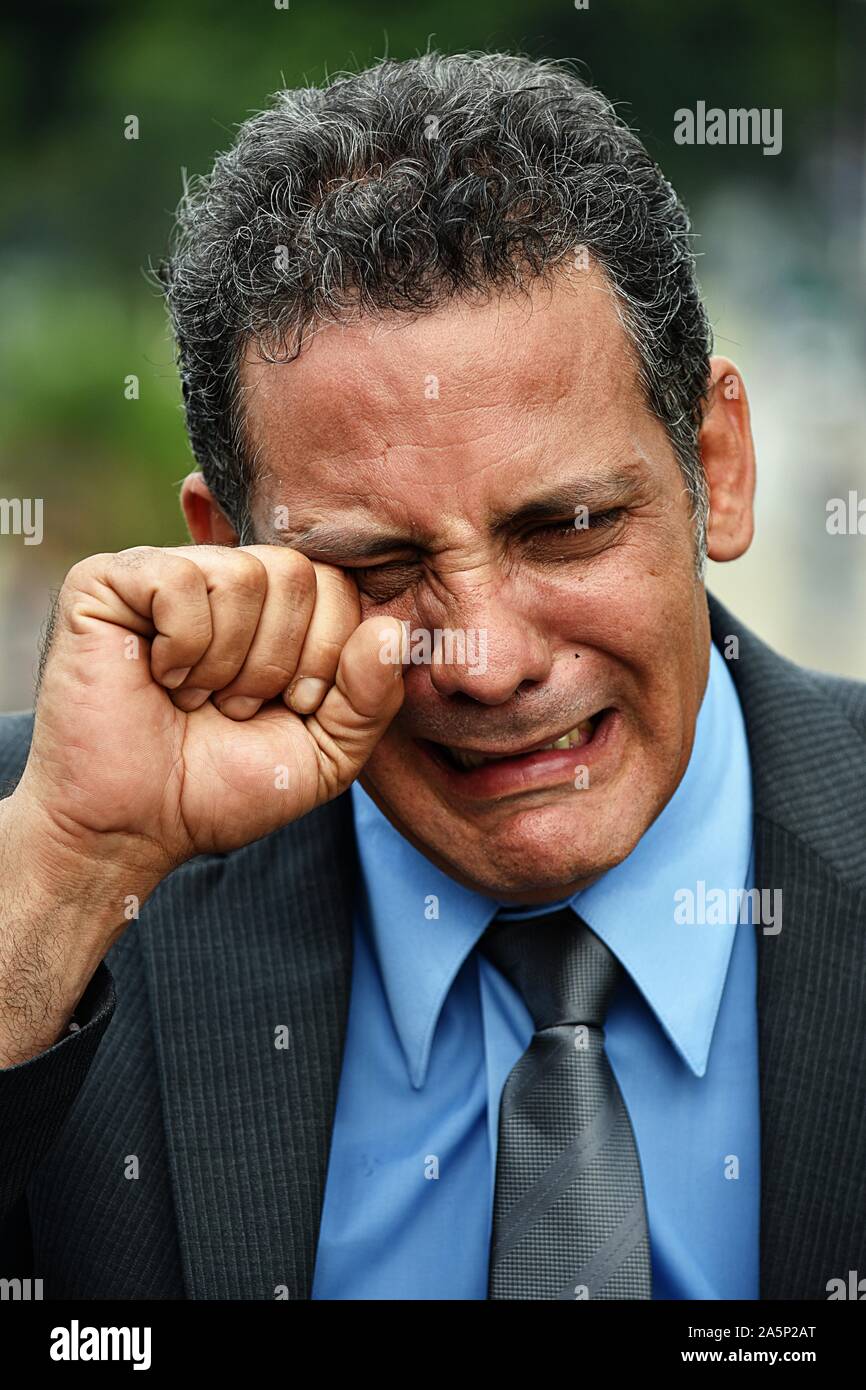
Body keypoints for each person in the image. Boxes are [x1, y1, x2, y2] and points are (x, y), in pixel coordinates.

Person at [1, 51, 863, 1302]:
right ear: (229, 559)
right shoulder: (50, 848)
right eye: (379, 566)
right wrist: (71, 875)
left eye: (564, 526)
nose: (492, 658)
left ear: (715, 467)